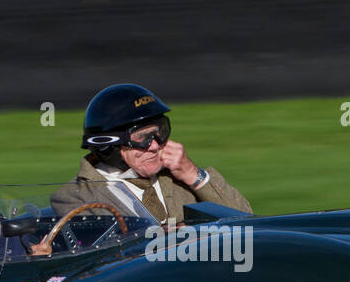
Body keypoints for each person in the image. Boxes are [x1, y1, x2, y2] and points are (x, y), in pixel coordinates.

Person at [51, 83, 251, 222]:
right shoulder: (74, 197)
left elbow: (246, 219)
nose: (155, 145)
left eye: (159, 133)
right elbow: (103, 256)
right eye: (142, 138)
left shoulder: (178, 176)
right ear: (109, 145)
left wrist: (193, 175)